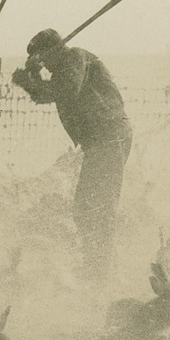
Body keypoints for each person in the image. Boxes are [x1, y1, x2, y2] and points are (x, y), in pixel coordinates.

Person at [10, 29, 134, 280]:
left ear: (52, 50)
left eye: (42, 59)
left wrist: (29, 77)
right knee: (90, 207)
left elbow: (64, 90)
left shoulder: (75, 58)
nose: (44, 65)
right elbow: (47, 94)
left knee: (94, 207)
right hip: (101, 140)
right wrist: (32, 76)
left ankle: (100, 271)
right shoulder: (66, 66)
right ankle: (99, 267)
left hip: (109, 137)